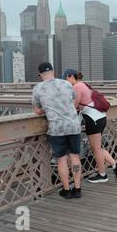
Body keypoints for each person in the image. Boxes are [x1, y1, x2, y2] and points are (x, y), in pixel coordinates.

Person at [62, 69, 117, 184]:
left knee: (96, 149)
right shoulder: (84, 84)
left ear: (70, 76)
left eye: (65, 79)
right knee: (98, 147)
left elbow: (74, 106)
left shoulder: (76, 87)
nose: (65, 82)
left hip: (93, 119)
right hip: (100, 117)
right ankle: (115, 165)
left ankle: (102, 175)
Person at [32, 62, 82, 200]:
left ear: (40, 75)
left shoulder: (38, 88)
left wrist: (46, 109)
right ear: (53, 72)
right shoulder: (66, 84)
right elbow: (72, 100)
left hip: (57, 128)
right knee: (75, 157)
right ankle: (77, 189)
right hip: (73, 125)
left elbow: (37, 110)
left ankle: (66, 190)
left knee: (61, 160)